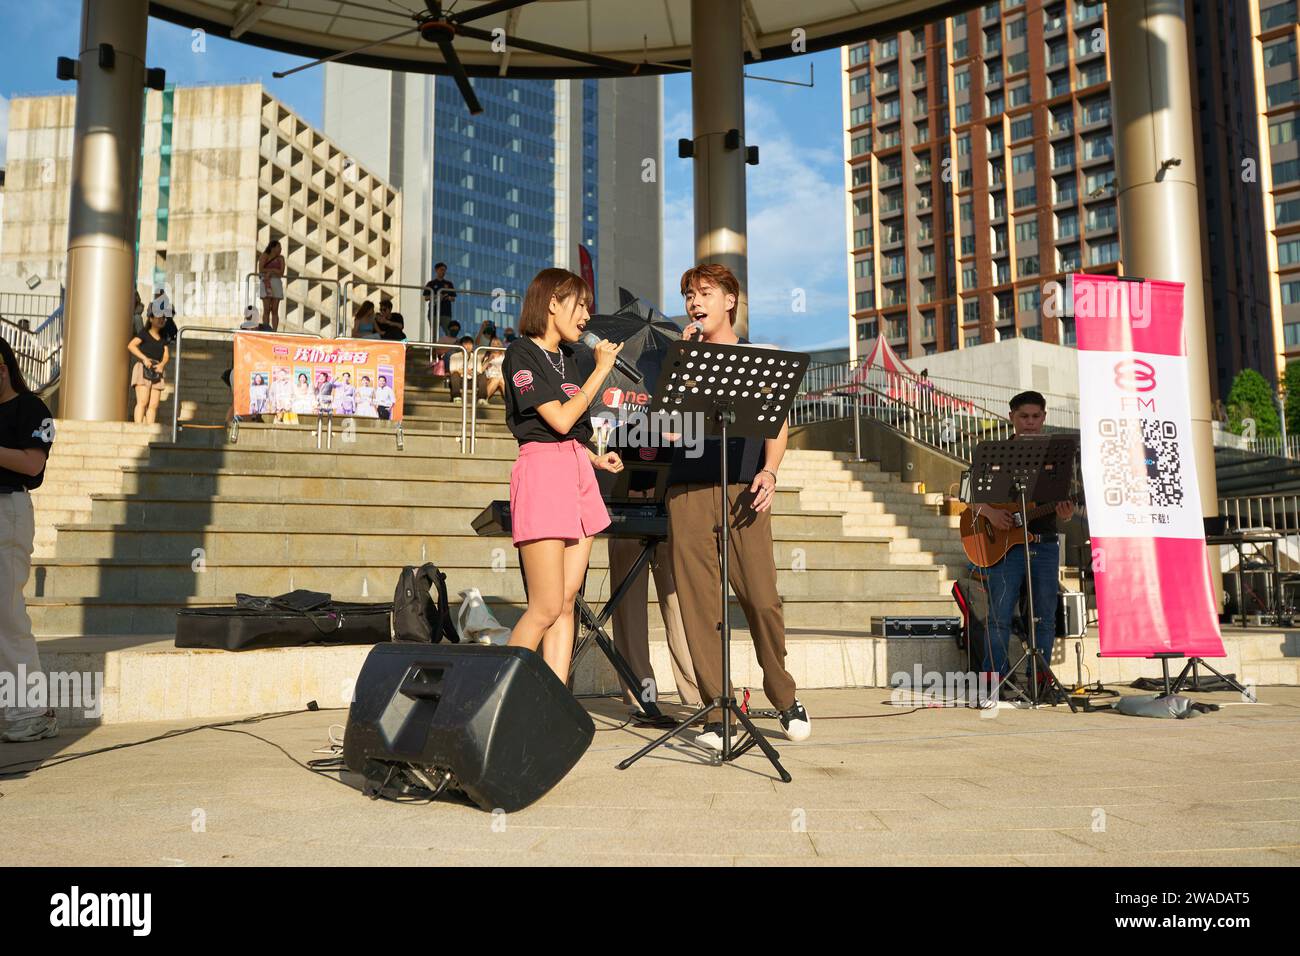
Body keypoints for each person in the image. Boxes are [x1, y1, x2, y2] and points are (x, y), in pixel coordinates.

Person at [666, 263, 811, 751]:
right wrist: (682, 365)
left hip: (744, 489)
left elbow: (777, 423)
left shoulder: (756, 359)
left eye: (704, 292)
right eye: (689, 295)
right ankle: (716, 708)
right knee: (699, 606)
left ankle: (783, 693)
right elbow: (665, 426)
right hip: (686, 491)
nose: (694, 302)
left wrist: (770, 471)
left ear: (730, 300)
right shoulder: (679, 357)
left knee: (763, 599)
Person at [502, 267, 624, 680]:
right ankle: (497, 695)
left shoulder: (570, 358)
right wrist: (600, 372)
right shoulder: (521, 353)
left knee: (569, 601)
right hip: (542, 472)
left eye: (588, 306)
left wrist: (594, 458)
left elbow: (573, 431)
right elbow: (556, 420)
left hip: (577, 471)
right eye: (580, 305)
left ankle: (553, 700)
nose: (587, 315)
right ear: (552, 303)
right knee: (546, 605)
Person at [967, 391, 1076, 697]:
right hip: (1006, 546)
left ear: (1044, 417)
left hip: (1045, 543)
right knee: (999, 615)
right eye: (1024, 417)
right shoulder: (995, 452)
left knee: (1044, 616)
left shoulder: (1058, 455)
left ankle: (1039, 681)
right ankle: (994, 681)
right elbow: (968, 496)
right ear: (1012, 417)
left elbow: (1061, 507)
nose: (1030, 423)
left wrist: (1065, 515)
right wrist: (991, 513)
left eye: (1036, 417)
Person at [0, 337, 58, 742]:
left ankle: (31, 710)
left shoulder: (32, 408)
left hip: (8, 510)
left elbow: (31, 463)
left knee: (6, 613)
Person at [128, 307, 169, 424]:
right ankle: (138, 427)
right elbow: (131, 345)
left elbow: (166, 355)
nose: (162, 320)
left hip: (157, 370)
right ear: (151, 319)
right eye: (159, 317)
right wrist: (144, 358)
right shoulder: (144, 333)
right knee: (143, 401)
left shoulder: (163, 337)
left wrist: (162, 364)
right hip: (143, 368)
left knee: (153, 404)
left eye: (163, 318)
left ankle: (150, 428)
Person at [423, 261, 457, 336]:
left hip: (446, 313)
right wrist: (437, 296)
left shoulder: (449, 284)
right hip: (433, 312)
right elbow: (426, 297)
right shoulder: (431, 283)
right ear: (436, 270)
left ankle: (449, 347)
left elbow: (453, 298)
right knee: (434, 334)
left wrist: (447, 297)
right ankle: (434, 348)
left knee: (449, 333)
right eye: (442, 270)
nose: (443, 272)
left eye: (444, 270)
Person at [258, 239, 286, 330]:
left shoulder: (281, 258)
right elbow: (261, 269)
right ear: (273, 247)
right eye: (279, 247)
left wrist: (271, 271)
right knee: (266, 308)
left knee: (275, 309)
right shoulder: (264, 255)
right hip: (266, 282)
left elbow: (281, 273)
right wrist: (273, 271)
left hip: (276, 283)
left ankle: (274, 330)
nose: (280, 249)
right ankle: (266, 329)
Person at [447, 335, 483, 405]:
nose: (468, 346)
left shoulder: (476, 356)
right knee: (454, 375)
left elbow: (479, 372)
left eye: (470, 344)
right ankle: (457, 397)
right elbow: (452, 371)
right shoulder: (454, 356)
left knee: (482, 376)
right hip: (459, 381)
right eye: (466, 344)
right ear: (461, 345)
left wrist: (463, 371)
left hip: (472, 381)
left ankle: (482, 399)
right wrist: (467, 371)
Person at [481, 337, 506, 404]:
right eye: (493, 344)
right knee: (496, 379)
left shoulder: (505, 356)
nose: (496, 346)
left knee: (502, 380)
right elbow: (481, 370)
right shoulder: (487, 356)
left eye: (498, 344)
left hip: (502, 379)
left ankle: (510, 403)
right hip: (490, 379)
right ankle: (483, 399)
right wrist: (488, 360)